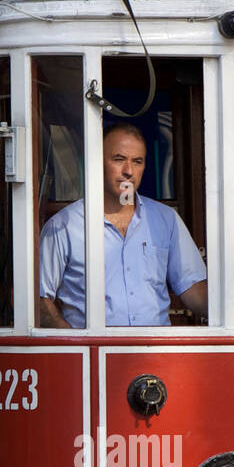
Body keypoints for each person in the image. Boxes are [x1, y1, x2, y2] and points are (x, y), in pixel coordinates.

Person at [37, 123, 208, 328]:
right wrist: (71, 341)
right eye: (119, 159)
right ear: (97, 162)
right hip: (93, 354)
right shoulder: (64, 225)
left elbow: (193, 290)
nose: (128, 171)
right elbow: (38, 298)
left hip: (154, 352)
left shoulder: (165, 219)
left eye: (137, 161)